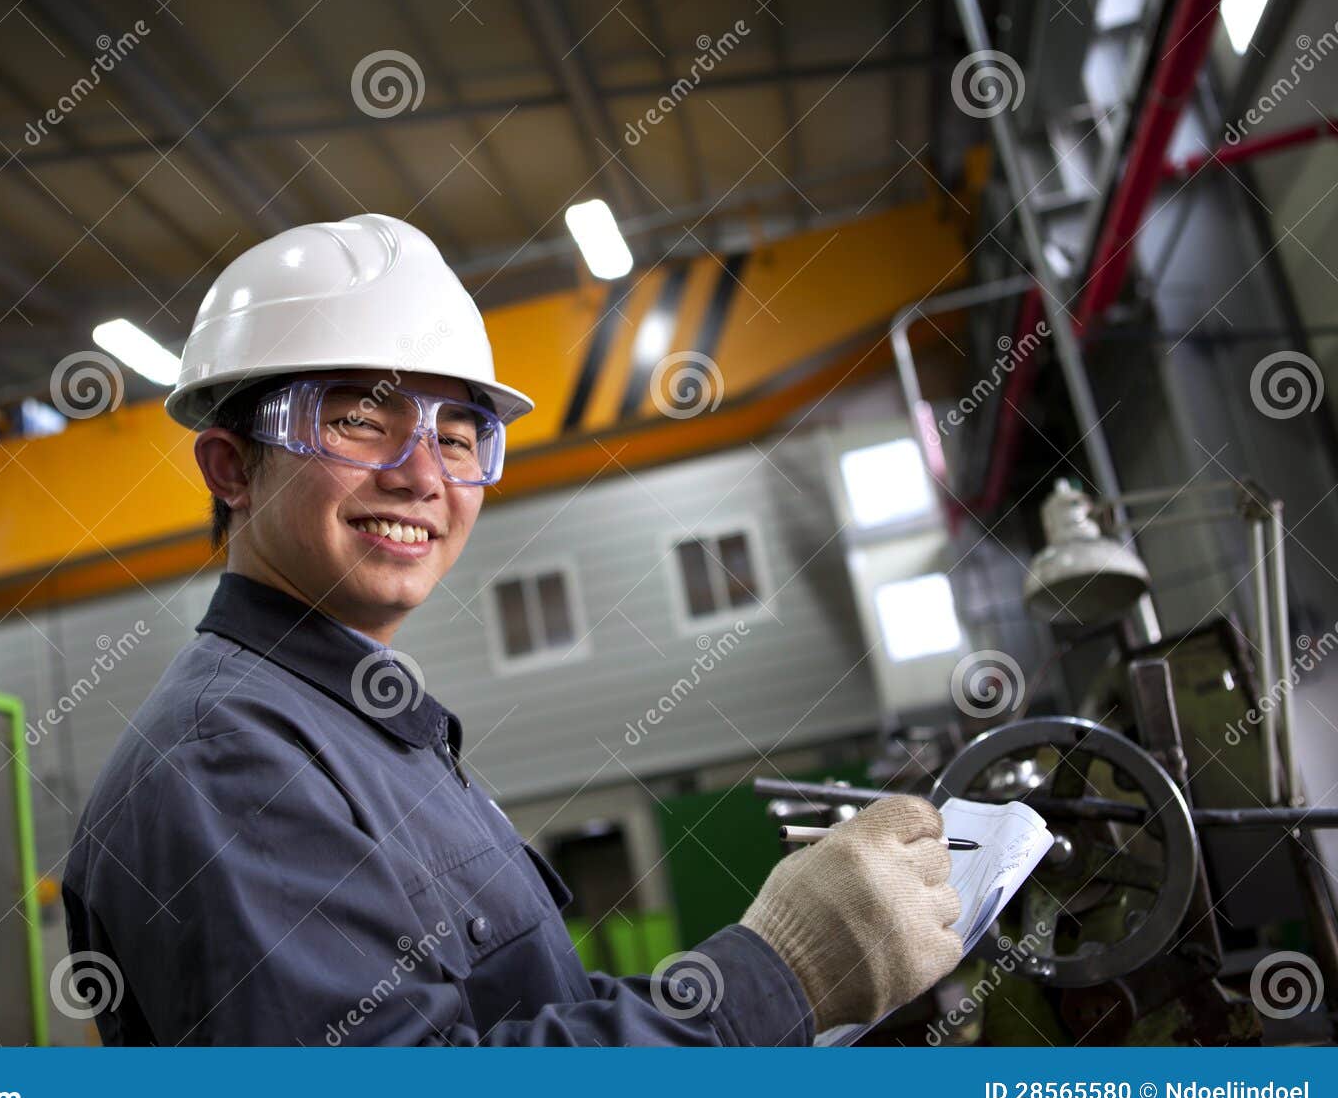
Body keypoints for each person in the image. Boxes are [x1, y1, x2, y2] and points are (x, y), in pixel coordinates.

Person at [60, 213, 963, 1045]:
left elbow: (523, 1017)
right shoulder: (224, 762)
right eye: (363, 421)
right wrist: (775, 979)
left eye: (458, 437)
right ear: (231, 468)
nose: (422, 476)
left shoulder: (369, 732)